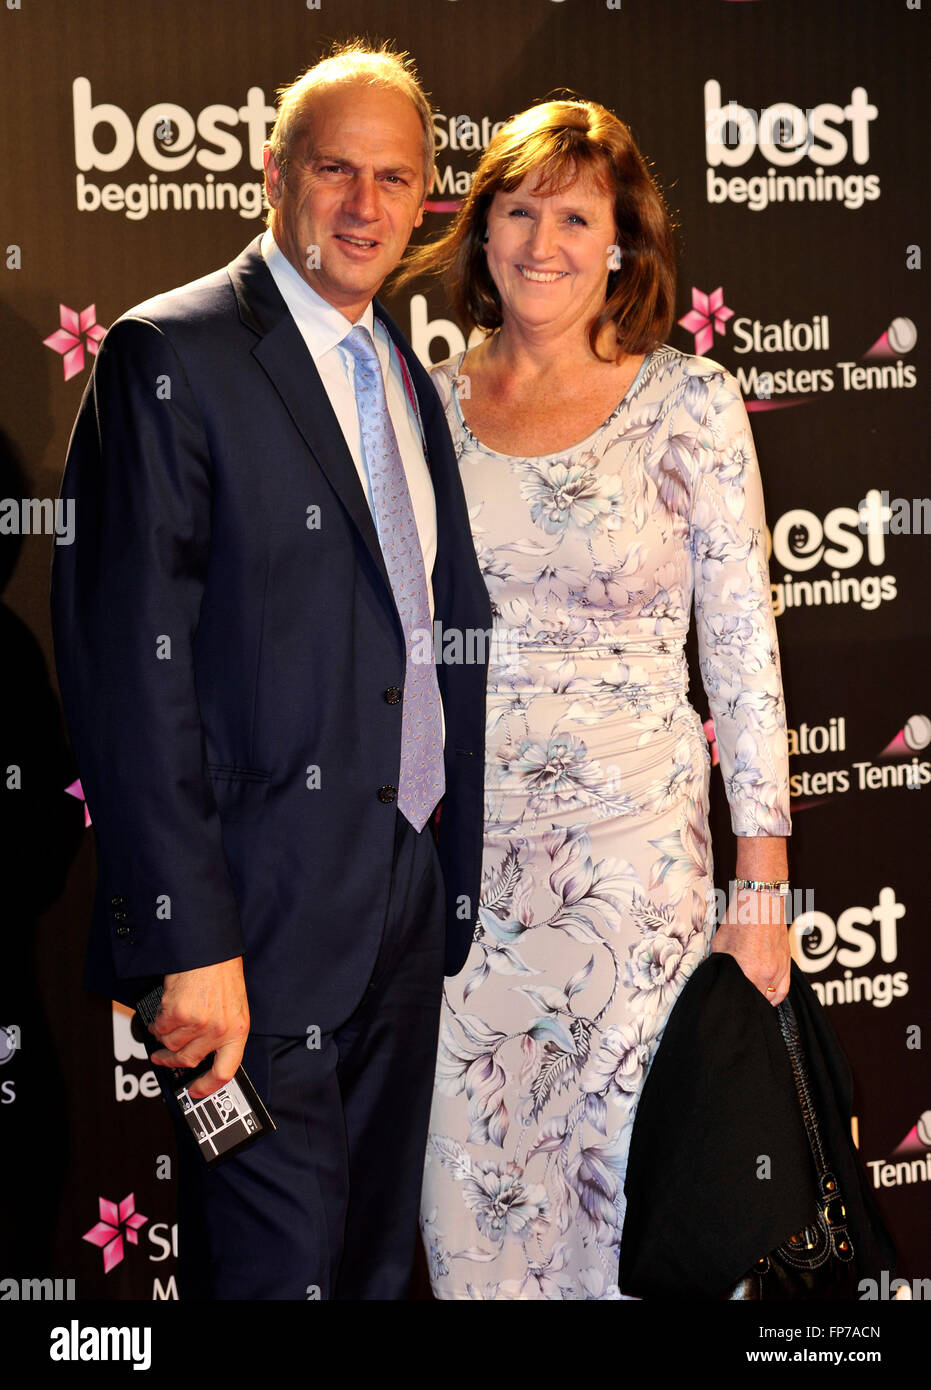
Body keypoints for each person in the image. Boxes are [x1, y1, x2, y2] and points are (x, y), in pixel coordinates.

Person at [50, 40, 490, 1300]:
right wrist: (187, 939)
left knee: (363, 1270)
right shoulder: (167, 356)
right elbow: (129, 671)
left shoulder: (403, 365)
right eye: (335, 171)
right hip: (251, 929)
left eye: (393, 178)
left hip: (403, 899)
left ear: (423, 202)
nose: (364, 206)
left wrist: (440, 868)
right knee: (271, 1276)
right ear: (272, 175)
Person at [399, 98, 792, 1299]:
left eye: (575, 214)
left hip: (637, 887)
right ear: (481, 231)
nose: (542, 242)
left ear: (622, 239)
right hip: (466, 879)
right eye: (517, 210)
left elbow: (740, 646)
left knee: (633, 1207)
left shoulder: (690, 403)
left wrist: (764, 886)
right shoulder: (424, 408)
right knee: (473, 1209)